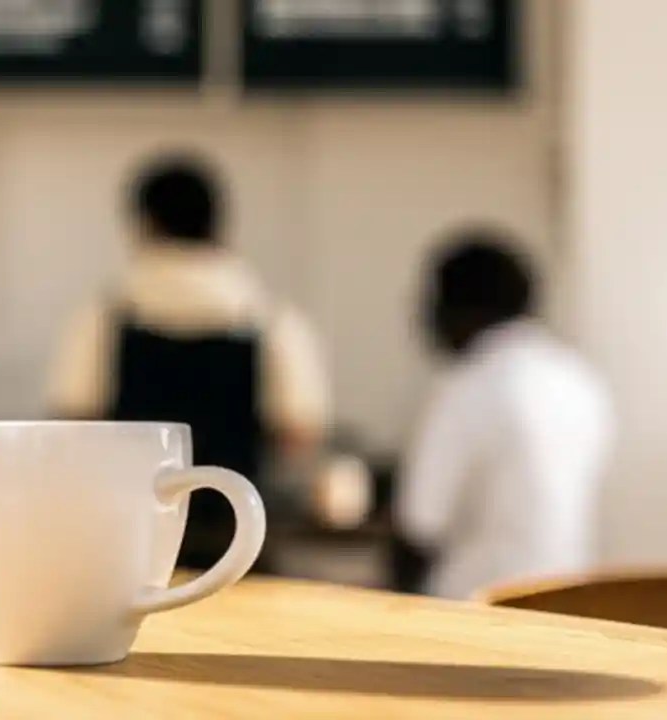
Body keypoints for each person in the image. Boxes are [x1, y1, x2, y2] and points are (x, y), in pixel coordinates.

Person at [48, 154, 330, 571]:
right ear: (219, 223)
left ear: (144, 223)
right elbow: (299, 434)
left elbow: (73, 427)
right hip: (238, 543)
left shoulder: (103, 318)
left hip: (133, 543)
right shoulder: (270, 318)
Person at [398, 230, 613, 599]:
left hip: (475, 609)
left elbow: (419, 527)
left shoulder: (469, 386)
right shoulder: (580, 381)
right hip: (571, 599)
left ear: (459, 305)